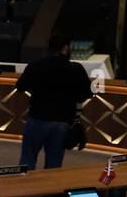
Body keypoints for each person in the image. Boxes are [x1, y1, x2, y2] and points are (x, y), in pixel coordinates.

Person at [17, 32, 93, 170]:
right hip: (62, 123)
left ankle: (24, 189)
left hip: (37, 119)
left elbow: (20, 87)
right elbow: (87, 93)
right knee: (54, 166)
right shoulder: (75, 69)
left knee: (27, 162)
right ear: (65, 48)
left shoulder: (36, 65)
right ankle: (50, 191)